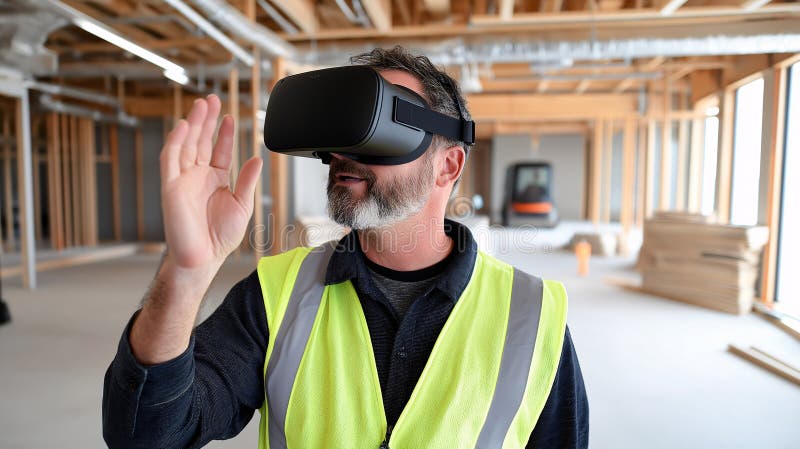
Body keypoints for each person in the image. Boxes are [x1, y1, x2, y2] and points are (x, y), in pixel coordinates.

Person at [102, 47, 588, 449]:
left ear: (448, 166)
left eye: (377, 129)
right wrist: (184, 274)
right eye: (342, 132)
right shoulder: (277, 293)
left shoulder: (531, 316)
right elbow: (145, 436)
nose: (341, 153)